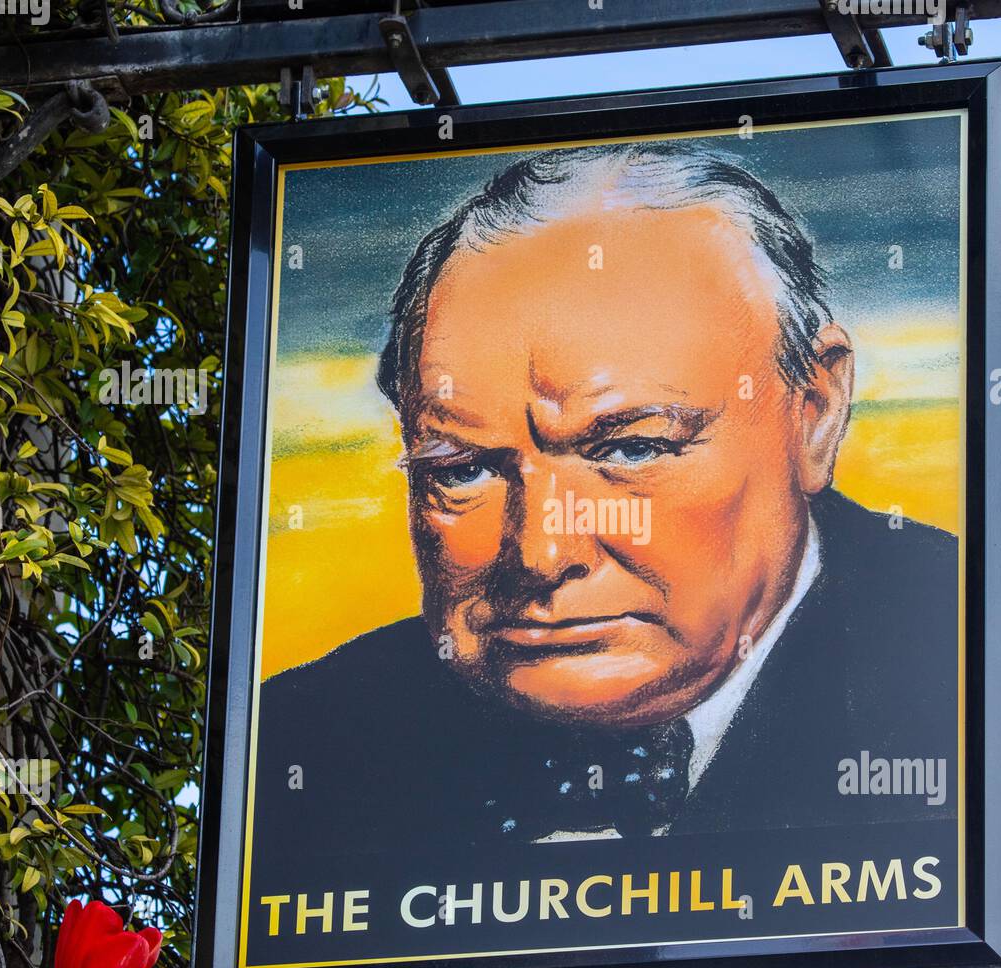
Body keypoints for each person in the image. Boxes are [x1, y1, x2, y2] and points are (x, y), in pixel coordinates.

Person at [256, 141, 958, 845]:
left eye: (631, 449)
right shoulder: (300, 745)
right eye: (461, 468)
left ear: (813, 411)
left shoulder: (961, 657)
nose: (540, 552)